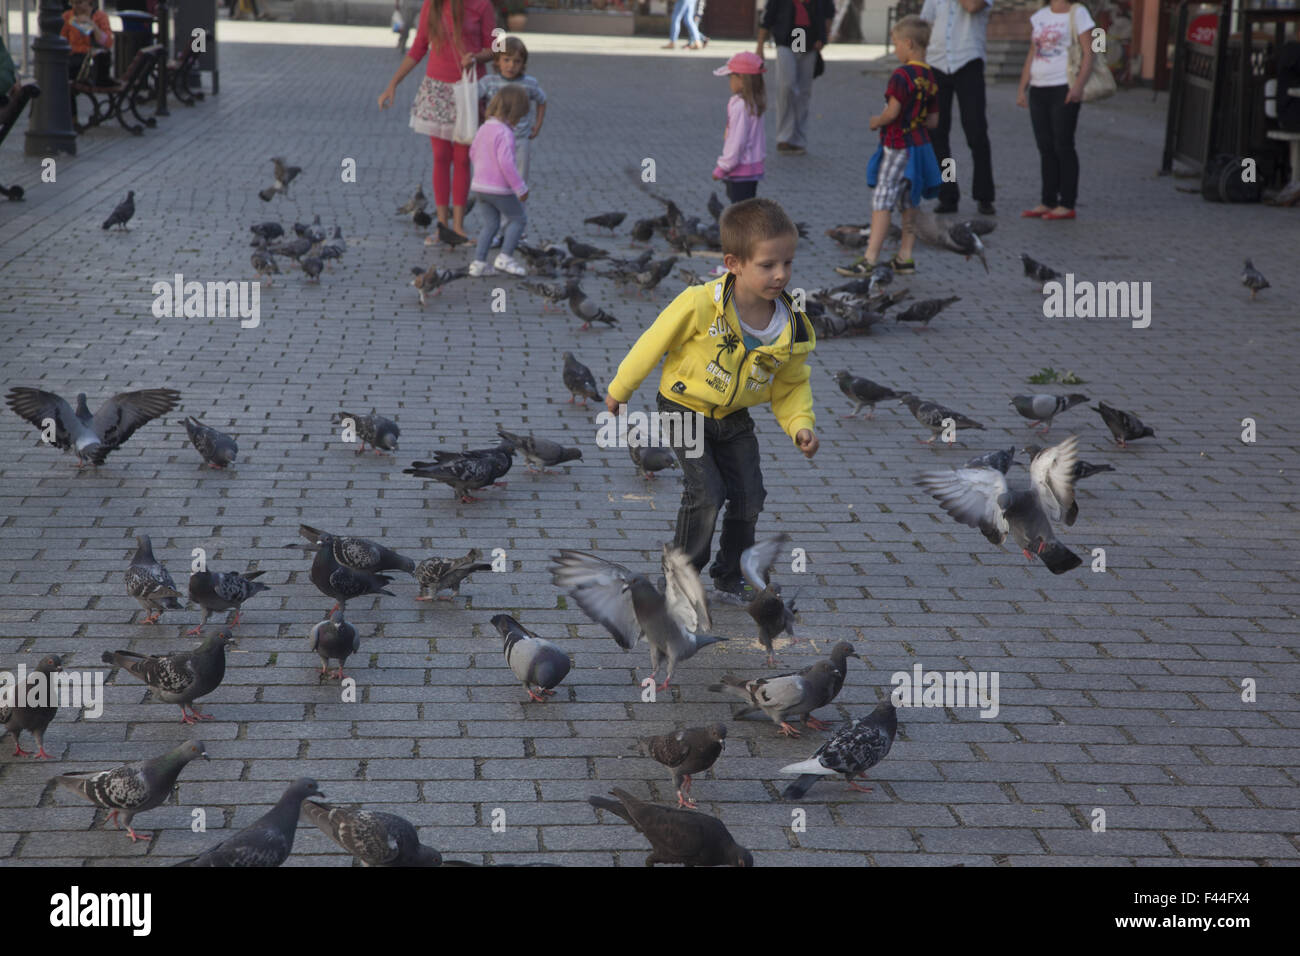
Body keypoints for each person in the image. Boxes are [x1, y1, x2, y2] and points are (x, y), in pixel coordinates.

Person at [602, 198, 819, 602]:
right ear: (734, 263)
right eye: (768, 265)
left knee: (750, 495)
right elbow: (654, 340)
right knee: (707, 493)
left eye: (787, 263)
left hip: (734, 417)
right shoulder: (701, 302)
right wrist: (621, 388)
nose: (781, 275)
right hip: (683, 408)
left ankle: (730, 574)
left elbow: (790, 385)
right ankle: (681, 576)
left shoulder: (792, 326)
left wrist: (800, 424)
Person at [378, 0, 498, 242]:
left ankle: (459, 226)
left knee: (462, 159)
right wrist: (393, 84)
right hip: (436, 90)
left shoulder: (482, 5)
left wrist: (475, 57)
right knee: (441, 157)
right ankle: (442, 225)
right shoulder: (431, 5)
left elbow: (494, 48)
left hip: (468, 90)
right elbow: (418, 47)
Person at [835, 15, 942, 277]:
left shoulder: (901, 74)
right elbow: (933, 120)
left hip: (897, 145)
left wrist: (876, 121)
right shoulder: (930, 76)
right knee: (909, 203)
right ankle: (905, 257)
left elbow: (892, 112)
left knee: (882, 201)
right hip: (919, 147)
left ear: (908, 43)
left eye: (895, 44)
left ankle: (869, 259)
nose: (895, 49)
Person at [1018, 0, 1095, 219]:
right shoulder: (1040, 15)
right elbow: (1032, 53)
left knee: (1063, 144)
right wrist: (1022, 87)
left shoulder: (1078, 13)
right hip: (1039, 88)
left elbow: (1090, 52)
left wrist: (1079, 85)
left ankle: (1067, 202)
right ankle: (1047, 200)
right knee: (1045, 145)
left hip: (1064, 86)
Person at [920, 0, 996, 215]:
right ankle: (948, 193)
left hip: (968, 61)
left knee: (976, 131)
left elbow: (972, 6)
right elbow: (925, 23)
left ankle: (984, 195)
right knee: (937, 133)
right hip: (937, 62)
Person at [757, 0, 835, 155]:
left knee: (803, 92)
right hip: (786, 40)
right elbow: (768, 17)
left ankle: (798, 140)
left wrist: (824, 36)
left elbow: (828, 13)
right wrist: (759, 47)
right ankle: (784, 137)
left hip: (809, 41)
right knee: (787, 87)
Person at [467, 86, 530, 277]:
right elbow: (506, 163)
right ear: (513, 112)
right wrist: (520, 187)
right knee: (518, 219)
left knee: (491, 224)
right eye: (520, 116)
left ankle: (478, 263)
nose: (519, 121)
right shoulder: (505, 133)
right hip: (499, 189)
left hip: (480, 187)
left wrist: (482, 174)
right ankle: (505, 257)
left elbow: (472, 153)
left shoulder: (484, 127)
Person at [478, 37, 547, 185]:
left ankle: (517, 207)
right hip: (494, 140)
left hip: (520, 139)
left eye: (517, 61)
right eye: (507, 60)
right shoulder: (488, 82)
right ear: (497, 61)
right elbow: (471, 98)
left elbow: (542, 101)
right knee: (494, 176)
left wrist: (538, 125)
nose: (511, 65)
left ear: (523, 64)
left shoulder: (529, 83)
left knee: (519, 179)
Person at [711, 52, 766, 204]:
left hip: (741, 169)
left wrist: (723, 167)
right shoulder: (753, 102)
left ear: (741, 78)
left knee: (740, 216)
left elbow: (737, 141)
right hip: (752, 169)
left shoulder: (741, 107)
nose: (729, 82)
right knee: (746, 212)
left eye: (731, 77)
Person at [61, 0, 112, 84]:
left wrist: (93, 25)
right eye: (72, 3)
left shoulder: (100, 16)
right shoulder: (67, 16)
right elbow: (62, 41)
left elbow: (107, 43)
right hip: (74, 57)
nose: (75, 6)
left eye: (79, 2)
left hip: (93, 60)